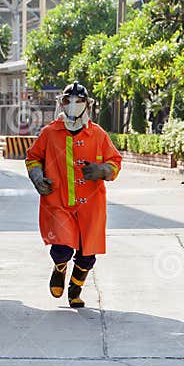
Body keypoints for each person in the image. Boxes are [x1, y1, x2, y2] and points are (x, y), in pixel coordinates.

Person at [25, 82, 122, 308]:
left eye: (79, 101)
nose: (73, 105)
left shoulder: (97, 134)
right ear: (61, 103)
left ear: (88, 105)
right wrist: (38, 178)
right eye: (68, 101)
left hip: (91, 204)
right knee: (62, 247)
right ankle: (59, 268)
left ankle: (75, 288)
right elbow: (32, 158)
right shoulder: (49, 133)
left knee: (87, 255)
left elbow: (115, 161)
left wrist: (103, 170)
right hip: (58, 201)